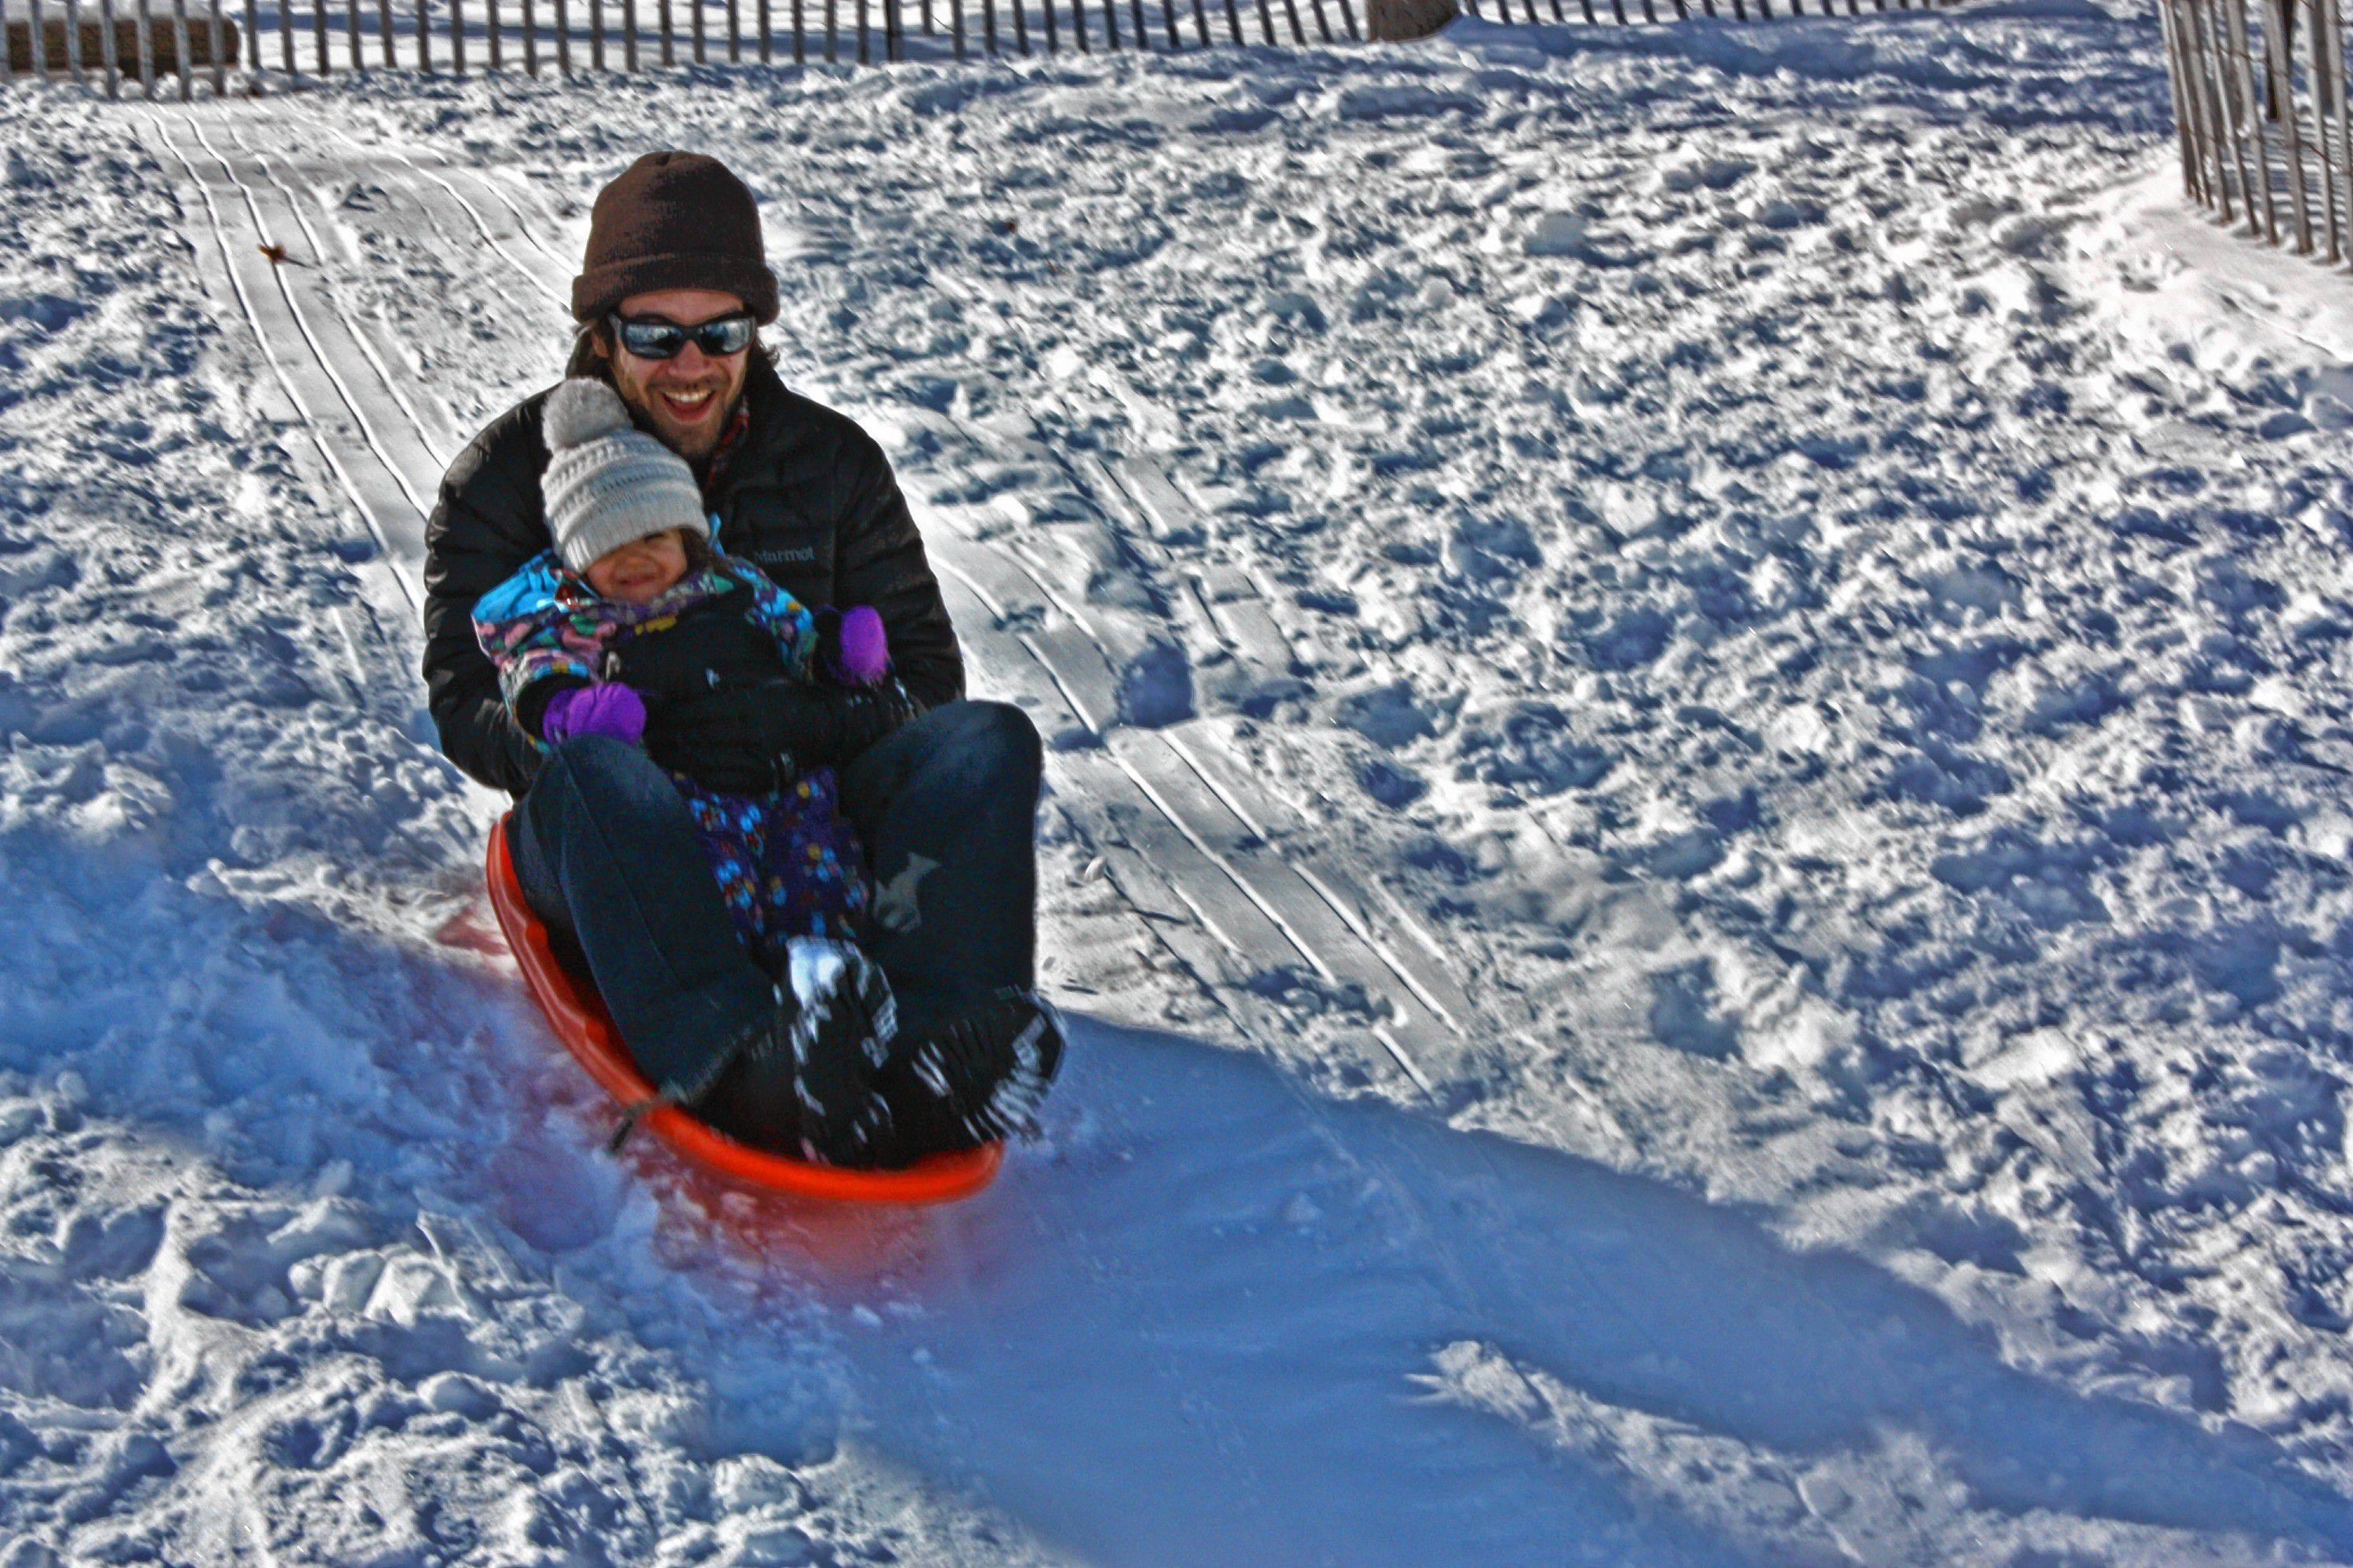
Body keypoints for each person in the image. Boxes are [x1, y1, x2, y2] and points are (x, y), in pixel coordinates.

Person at [422, 151, 1060, 1166]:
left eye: (717, 331)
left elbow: (929, 681)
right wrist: (613, 735)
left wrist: (818, 719)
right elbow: (463, 698)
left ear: (753, 330)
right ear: (602, 334)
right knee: (603, 779)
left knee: (984, 743)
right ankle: (740, 1054)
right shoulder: (511, 477)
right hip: (608, 830)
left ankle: (940, 1042)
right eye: (654, 333)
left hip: (802, 808)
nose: (689, 363)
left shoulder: (832, 462)